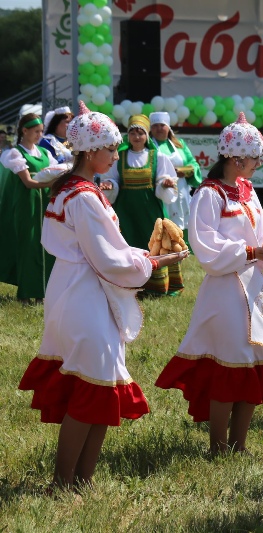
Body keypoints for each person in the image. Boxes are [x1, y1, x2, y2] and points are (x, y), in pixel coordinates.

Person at [18, 101, 187, 490]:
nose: (116, 155)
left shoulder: (74, 190)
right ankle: (63, 483)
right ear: (91, 151)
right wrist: (157, 263)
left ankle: (82, 481)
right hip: (86, 293)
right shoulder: (83, 197)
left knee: (98, 387)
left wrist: (144, 255)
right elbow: (108, 260)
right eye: (111, 149)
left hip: (74, 287)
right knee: (91, 388)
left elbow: (107, 249)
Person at [156, 113, 263, 455]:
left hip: (254, 286)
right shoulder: (209, 194)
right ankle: (218, 446)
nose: (257, 165)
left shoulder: (247, 192)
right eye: (254, 159)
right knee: (229, 367)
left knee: (252, 364)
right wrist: (252, 250)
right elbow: (205, 244)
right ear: (235, 158)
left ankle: (239, 445)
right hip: (225, 290)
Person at [98, 114, 180, 295]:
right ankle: (129, 285)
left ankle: (155, 287)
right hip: (125, 209)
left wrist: (165, 183)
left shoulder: (157, 156)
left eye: (140, 133)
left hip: (150, 209)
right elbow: (112, 178)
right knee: (127, 243)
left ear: (147, 135)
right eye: (132, 133)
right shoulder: (119, 156)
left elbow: (165, 179)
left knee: (153, 244)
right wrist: (110, 184)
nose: (136, 137)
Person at [0, 112, 59, 302]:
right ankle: (25, 294)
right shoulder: (15, 154)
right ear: (24, 131)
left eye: (41, 131)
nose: (39, 135)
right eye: (36, 131)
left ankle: (43, 292)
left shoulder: (45, 153)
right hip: (26, 204)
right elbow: (28, 182)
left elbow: (56, 171)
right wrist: (51, 184)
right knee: (29, 245)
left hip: (45, 204)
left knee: (45, 245)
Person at [149, 112, 202, 244]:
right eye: (155, 126)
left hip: (182, 188)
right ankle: (165, 246)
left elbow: (193, 164)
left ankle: (184, 246)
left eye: (162, 125)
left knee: (183, 217)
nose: (159, 128)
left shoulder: (180, 145)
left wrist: (186, 171)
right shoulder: (148, 146)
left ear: (168, 127)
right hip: (161, 190)